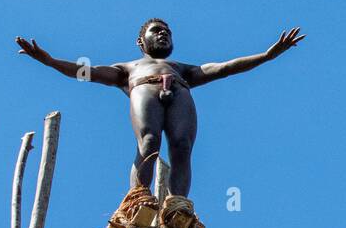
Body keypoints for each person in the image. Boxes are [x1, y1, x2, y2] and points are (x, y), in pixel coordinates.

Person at [16, 19, 303, 198]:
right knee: (149, 141)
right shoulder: (127, 68)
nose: (164, 34)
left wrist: (267, 55)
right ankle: (138, 198)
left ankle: (178, 204)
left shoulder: (183, 69)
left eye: (167, 32)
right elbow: (84, 71)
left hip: (179, 92)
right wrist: (50, 61)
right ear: (141, 41)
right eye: (157, 31)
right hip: (144, 90)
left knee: (181, 146)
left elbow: (225, 68)